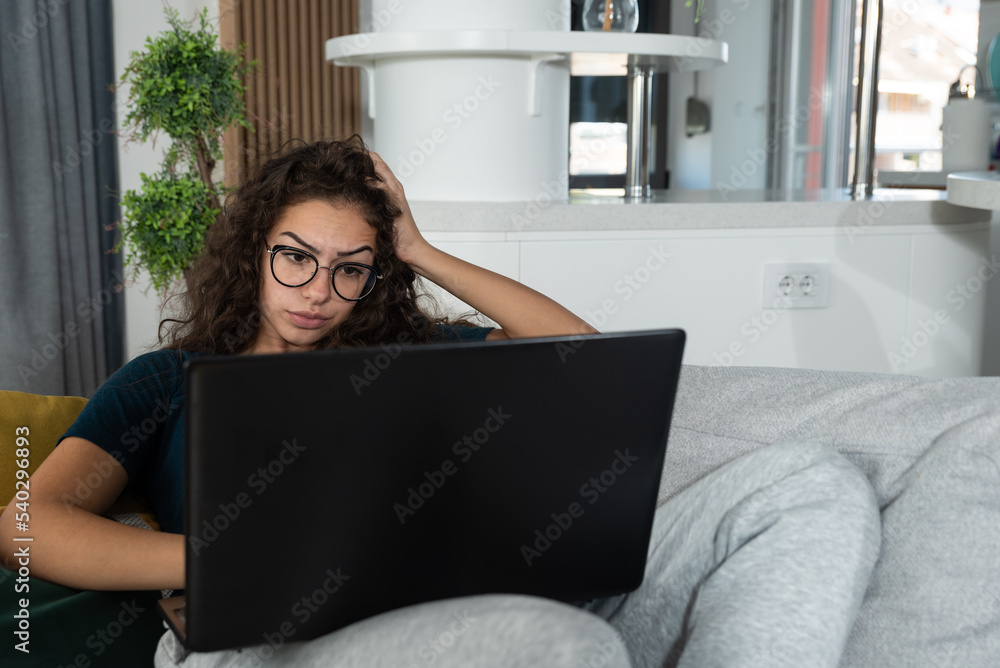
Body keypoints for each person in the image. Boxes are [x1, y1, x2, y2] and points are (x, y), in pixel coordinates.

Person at [0, 136, 881, 668]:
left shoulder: (411, 358)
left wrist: (423, 250)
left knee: (810, 484)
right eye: (295, 256)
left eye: (352, 268)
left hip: (502, 599)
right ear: (253, 250)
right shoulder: (167, 378)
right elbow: (27, 525)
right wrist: (222, 559)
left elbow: (582, 357)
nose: (318, 289)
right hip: (275, 643)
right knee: (564, 651)